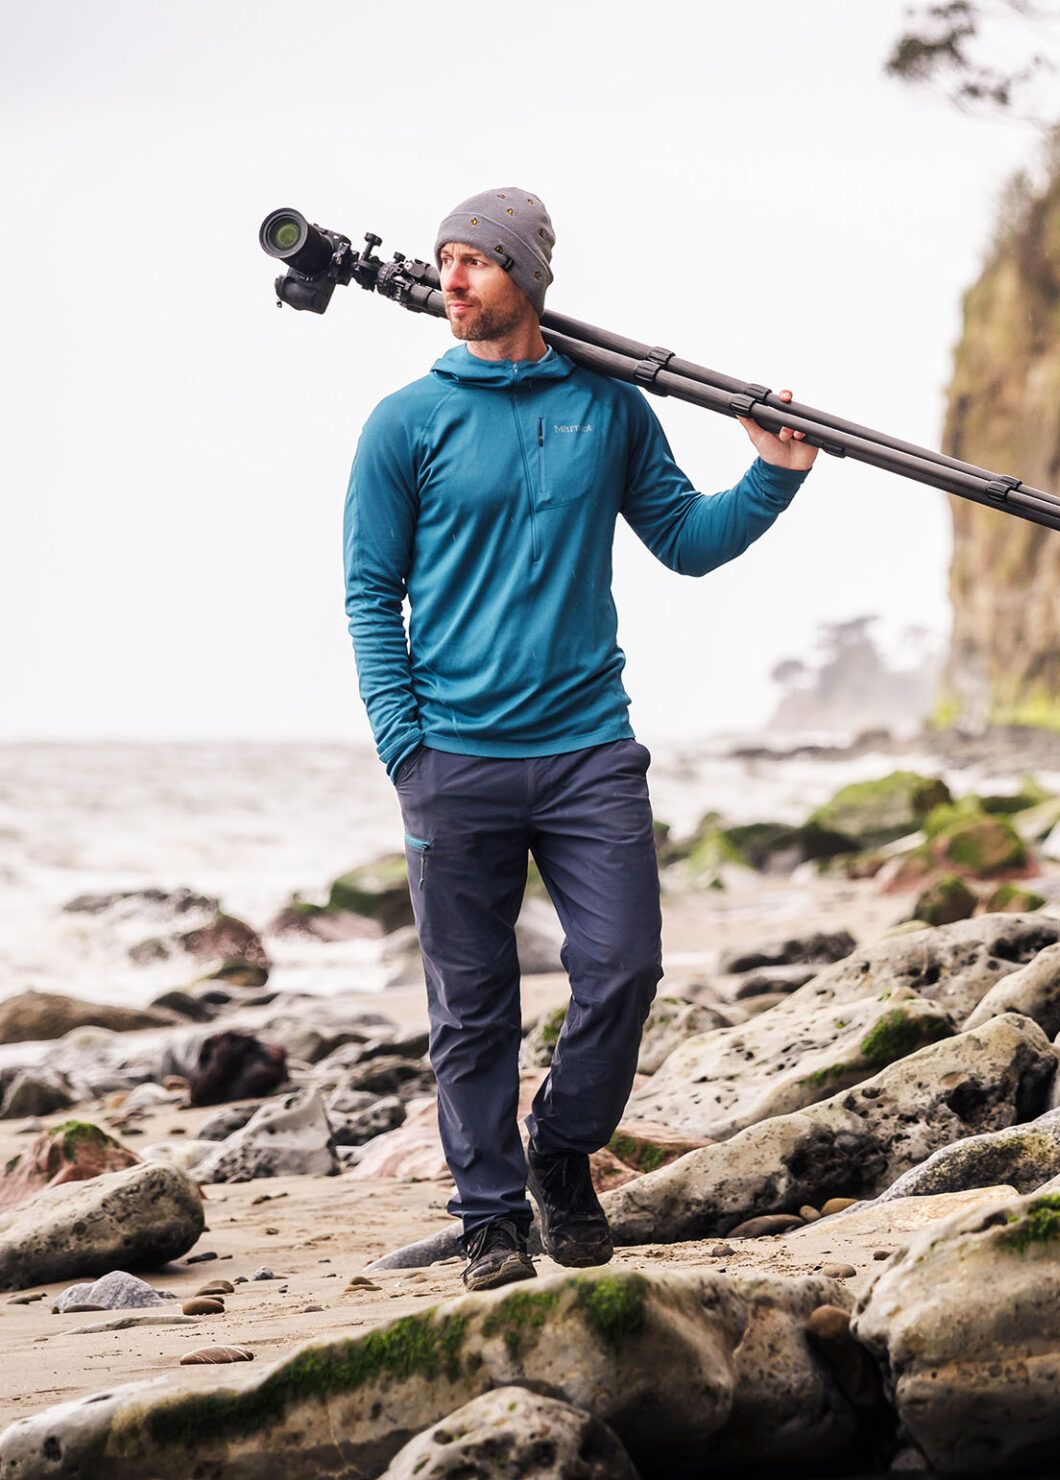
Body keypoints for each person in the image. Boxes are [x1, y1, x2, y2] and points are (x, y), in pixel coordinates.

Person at [342, 187, 816, 1291]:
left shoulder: (608, 407)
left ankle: (561, 1150)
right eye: (444, 260)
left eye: (475, 262)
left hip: (588, 749)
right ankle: (490, 1218)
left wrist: (773, 476)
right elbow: (372, 592)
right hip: (452, 758)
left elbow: (687, 541)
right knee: (471, 1011)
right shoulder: (405, 421)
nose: (450, 281)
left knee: (624, 967)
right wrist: (403, 742)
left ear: (528, 277)